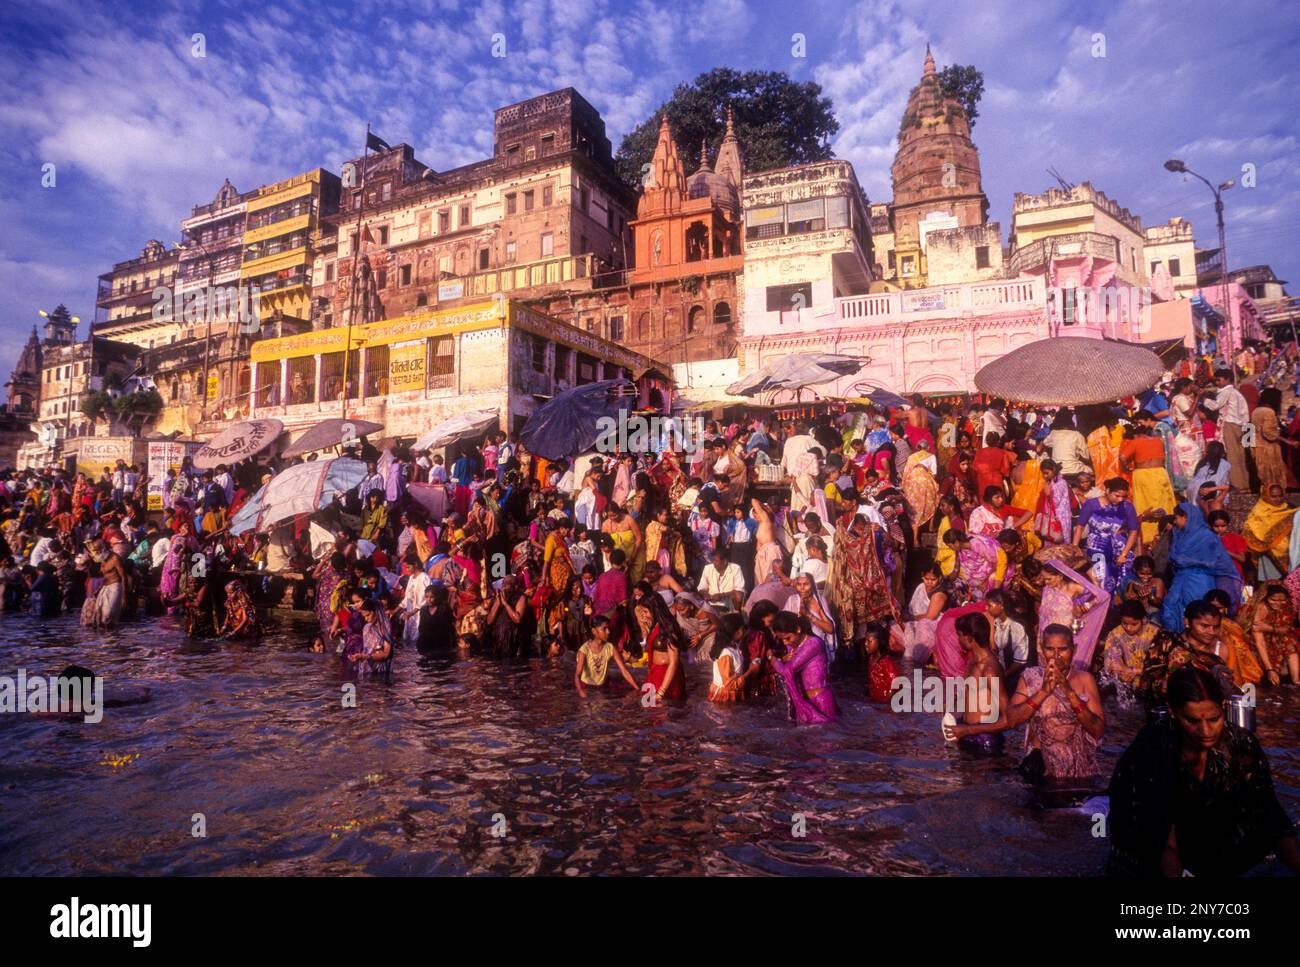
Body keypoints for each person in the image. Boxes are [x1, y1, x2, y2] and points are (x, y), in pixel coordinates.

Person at [1106, 665, 1300, 876]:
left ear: (1222, 707)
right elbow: (1158, 834)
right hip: (1152, 846)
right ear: (1173, 712)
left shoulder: (1241, 743)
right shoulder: (1154, 750)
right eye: (1192, 721)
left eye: (1214, 719)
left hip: (1210, 837)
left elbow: (1270, 812)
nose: (1205, 731)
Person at [1160, 503, 1243, 632]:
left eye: (1177, 518)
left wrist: (1186, 561)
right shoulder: (1180, 535)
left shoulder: (1206, 536)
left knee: (1198, 614)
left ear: (1186, 517)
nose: (1175, 521)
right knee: (1172, 610)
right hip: (1180, 580)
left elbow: (1215, 560)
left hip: (1199, 582)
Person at [769, 611, 837, 724]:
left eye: (787, 638)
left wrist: (773, 659)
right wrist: (782, 659)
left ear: (798, 629)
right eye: (781, 640)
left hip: (820, 701)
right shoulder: (794, 646)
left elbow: (787, 671)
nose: (785, 643)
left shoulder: (814, 644)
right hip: (805, 700)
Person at [1073, 477, 1139, 594]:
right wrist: (1074, 548)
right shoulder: (1091, 504)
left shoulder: (1128, 507)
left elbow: (1134, 531)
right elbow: (1080, 527)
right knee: (1100, 580)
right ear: (1107, 490)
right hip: (1096, 547)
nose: (1120, 500)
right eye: (1117, 495)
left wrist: (1124, 554)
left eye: (1123, 497)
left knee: (1124, 578)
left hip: (1119, 547)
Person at [1239, 581, 1300, 685]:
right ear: (1265, 598)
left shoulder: (1286, 606)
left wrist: (1270, 629)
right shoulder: (1259, 609)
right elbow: (1260, 642)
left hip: (1276, 635)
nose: (1278, 603)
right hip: (1255, 640)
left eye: (1282, 600)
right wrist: (1270, 670)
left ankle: (1296, 680)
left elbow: (1287, 629)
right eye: (1274, 600)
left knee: (1290, 641)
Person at [574, 616, 639, 697]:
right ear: (594, 631)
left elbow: (624, 671)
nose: (608, 632)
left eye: (608, 628)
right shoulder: (584, 650)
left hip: (602, 687)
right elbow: (577, 675)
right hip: (587, 688)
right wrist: (581, 692)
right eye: (604, 629)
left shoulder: (610, 647)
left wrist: (638, 689)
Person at [1101, 599, 1158, 691]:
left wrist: (1134, 671)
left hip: (1150, 683)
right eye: (1124, 623)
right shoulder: (1116, 634)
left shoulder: (1155, 634)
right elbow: (1111, 662)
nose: (1128, 628)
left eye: (1134, 624)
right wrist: (1121, 671)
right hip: (1126, 682)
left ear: (1143, 620)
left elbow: (1159, 665)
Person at [707, 613, 747, 702]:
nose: (745, 630)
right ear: (736, 632)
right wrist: (750, 672)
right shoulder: (726, 654)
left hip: (732, 690)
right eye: (743, 628)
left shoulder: (735, 646)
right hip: (724, 694)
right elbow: (729, 684)